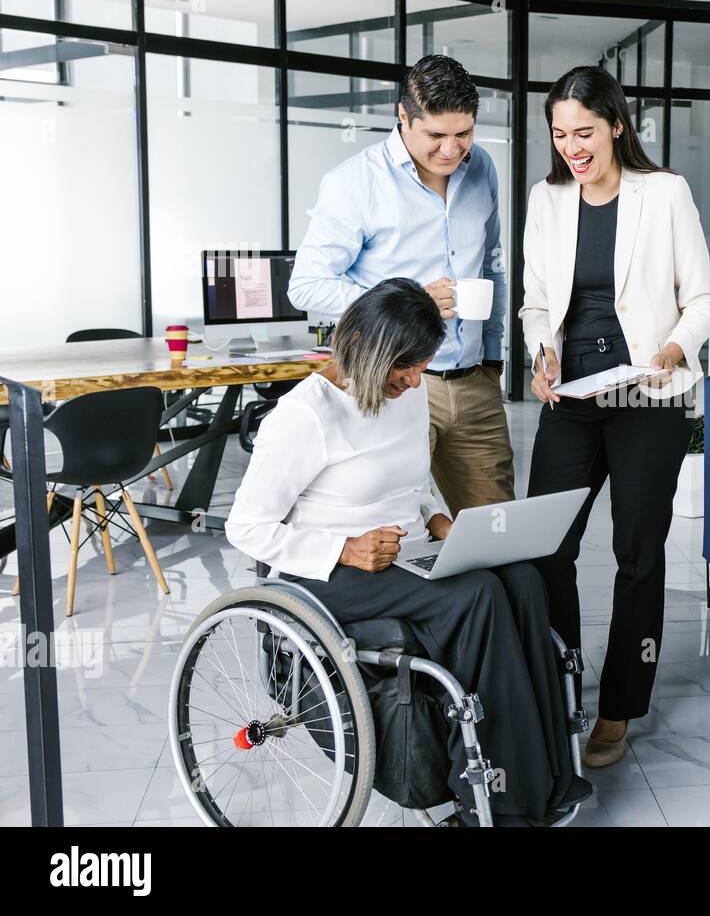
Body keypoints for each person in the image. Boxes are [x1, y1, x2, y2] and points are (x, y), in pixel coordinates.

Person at [226, 279, 586, 826]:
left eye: (423, 365)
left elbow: (409, 484)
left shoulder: (410, 392)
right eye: (406, 367)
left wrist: (441, 519)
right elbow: (246, 527)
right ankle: (501, 803)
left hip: (406, 553)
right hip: (326, 575)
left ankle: (546, 775)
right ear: (369, 350)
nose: (416, 380)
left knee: (523, 578)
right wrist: (344, 549)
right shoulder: (305, 416)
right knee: (477, 596)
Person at [520, 65, 710, 769]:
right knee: (546, 547)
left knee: (638, 553)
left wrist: (671, 347)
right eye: (560, 134)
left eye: (584, 132)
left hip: (647, 397)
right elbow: (535, 304)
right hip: (573, 397)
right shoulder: (546, 200)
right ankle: (559, 682)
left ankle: (619, 706)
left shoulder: (663, 195)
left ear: (616, 126)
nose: (572, 146)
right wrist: (543, 353)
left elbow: (703, 300)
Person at [288, 54, 513, 517]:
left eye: (463, 134)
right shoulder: (355, 183)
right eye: (435, 135)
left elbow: (492, 269)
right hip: (391, 382)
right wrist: (410, 301)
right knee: (393, 527)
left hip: (474, 382)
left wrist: (493, 357)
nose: (452, 150)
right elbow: (306, 286)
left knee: (495, 528)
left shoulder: (482, 167)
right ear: (403, 117)